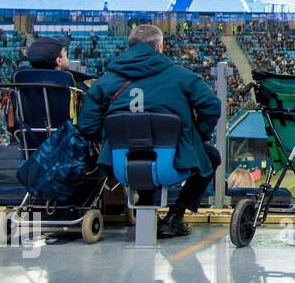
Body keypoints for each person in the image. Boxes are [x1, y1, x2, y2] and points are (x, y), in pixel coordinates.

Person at [77, 24, 222, 239]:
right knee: (211, 156)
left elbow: (87, 124)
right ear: (160, 47)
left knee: (141, 146)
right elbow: (212, 106)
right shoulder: (182, 76)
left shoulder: (105, 81)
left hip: (120, 166)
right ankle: (175, 217)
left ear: (129, 47)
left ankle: (145, 203)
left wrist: (111, 142)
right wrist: (197, 137)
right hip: (172, 163)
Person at [24, 36, 91, 87]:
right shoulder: (73, 84)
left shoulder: (23, 82)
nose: (66, 52)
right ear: (59, 61)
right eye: (64, 51)